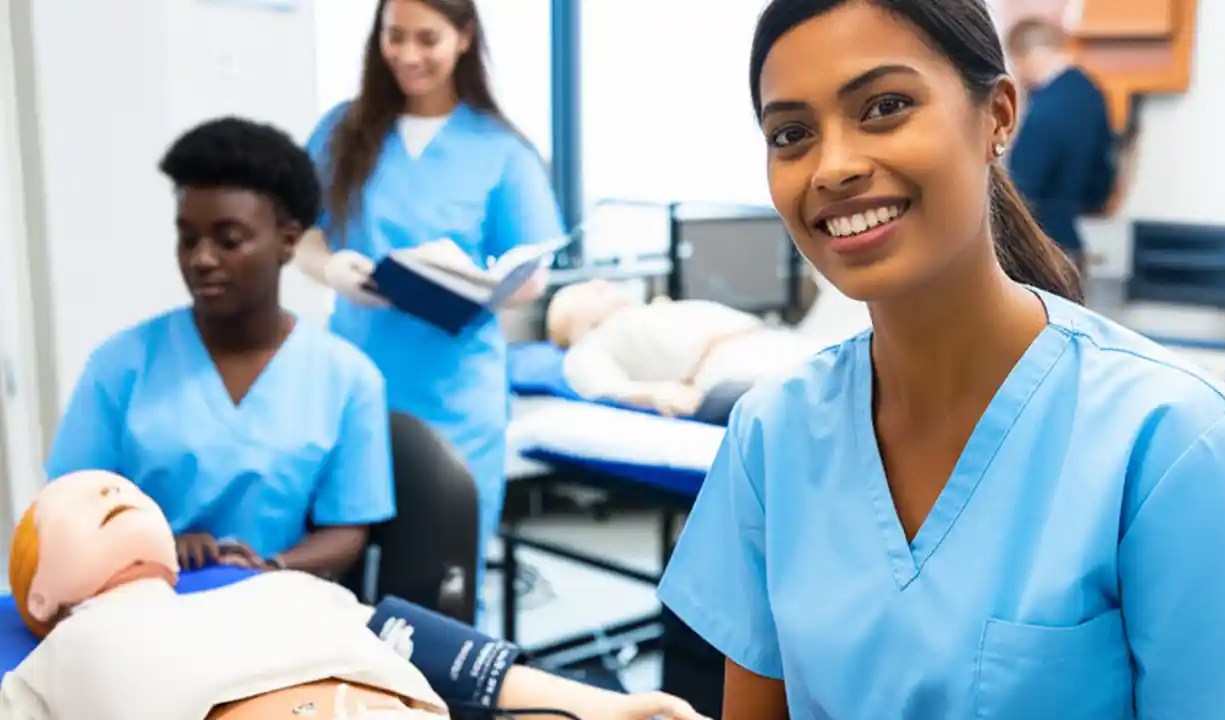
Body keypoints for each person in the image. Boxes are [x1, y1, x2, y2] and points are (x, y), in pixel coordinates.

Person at [656, 1, 1225, 719]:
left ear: (999, 117)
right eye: (791, 134)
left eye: (885, 107)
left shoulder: (1172, 445)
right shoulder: (771, 435)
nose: (832, 167)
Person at [0, 470, 709, 720]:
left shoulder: (276, 592)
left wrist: (606, 704)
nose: (110, 488)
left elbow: (434, 652)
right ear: (35, 593)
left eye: (122, 487)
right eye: (76, 497)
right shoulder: (51, 659)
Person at [294, 0, 564, 613]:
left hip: (455, 402)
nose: (408, 55)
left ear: (464, 38)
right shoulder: (343, 130)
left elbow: (531, 270)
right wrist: (329, 267)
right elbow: (299, 231)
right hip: (354, 390)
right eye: (394, 37)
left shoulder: (501, 150)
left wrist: (489, 283)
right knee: (333, 583)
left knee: (435, 594)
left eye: (427, 39)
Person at [44, 117, 395, 577]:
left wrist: (271, 568)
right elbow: (69, 513)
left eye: (229, 241)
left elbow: (348, 530)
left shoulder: (348, 379)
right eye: (188, 239)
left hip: (281, 608)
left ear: (287, 242)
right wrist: (158, 545)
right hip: (143, 602)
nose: (201, 259)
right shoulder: (120, 366)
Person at [545, 280, 830, 417]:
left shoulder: (645, 312)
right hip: (730, 365)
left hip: (769, 342)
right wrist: (658, 394)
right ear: (578, 323)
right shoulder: (589, 345)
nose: (602, 284)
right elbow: (604, 386)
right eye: (590, 292)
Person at [1005, 17, 1115, 276]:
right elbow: (1102, 181)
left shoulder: (1046, 109)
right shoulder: (1091, 93)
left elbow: (1020, 190)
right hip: (1071, 250)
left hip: (1039, 253)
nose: (1018, 74)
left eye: (1017, 63)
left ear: (1030, 54)